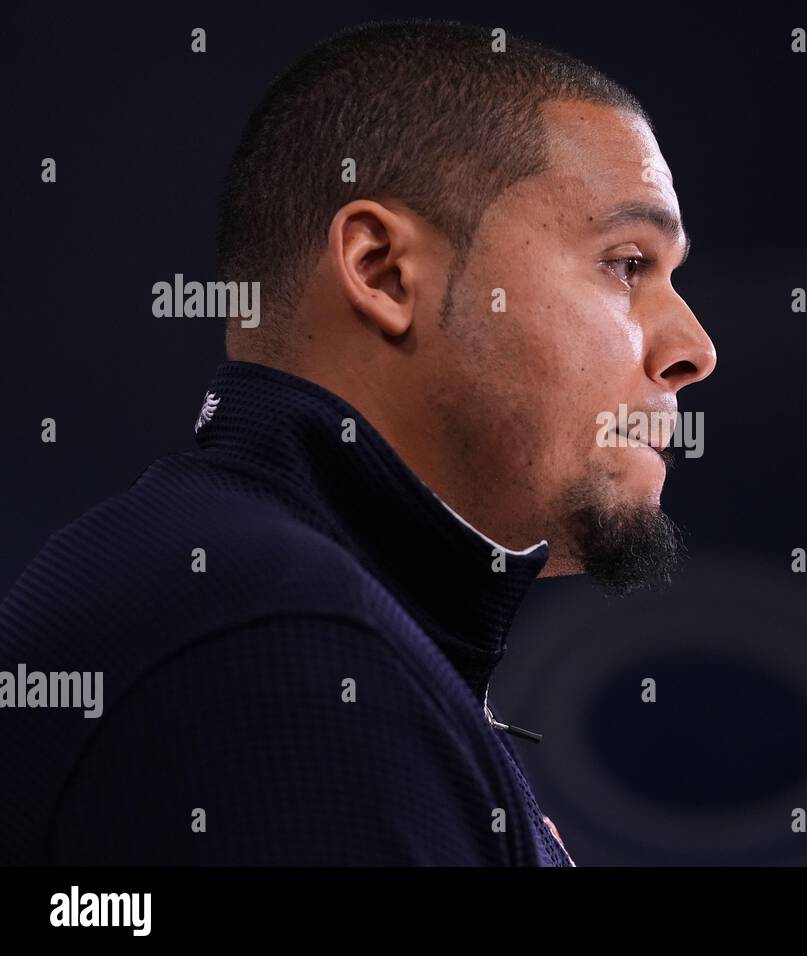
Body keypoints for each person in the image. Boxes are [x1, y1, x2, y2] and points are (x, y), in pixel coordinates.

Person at [0, 18, 716, 865]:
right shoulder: (284, 648)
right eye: (627, 263)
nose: (694, 350)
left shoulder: (241, 590)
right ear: (382, 271)